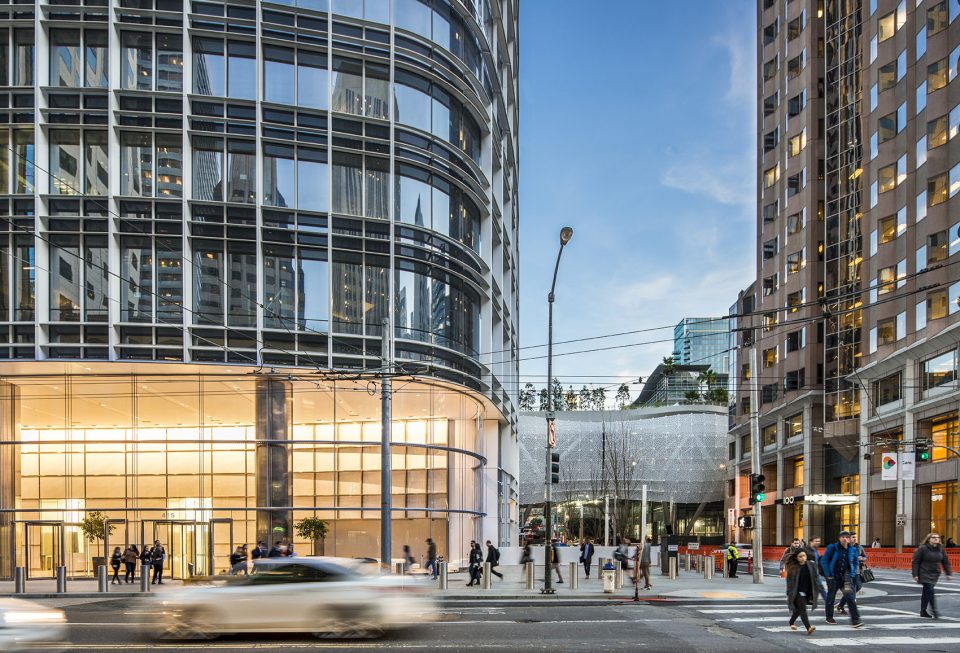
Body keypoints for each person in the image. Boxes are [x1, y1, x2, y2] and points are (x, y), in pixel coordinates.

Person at [822, 531, 862, 627]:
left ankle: (855, 620)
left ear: (849, 539)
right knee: (831, 597)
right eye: (843, 537)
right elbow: (824, 560)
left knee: (851, 598)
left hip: (846, 578)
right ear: (839, 538)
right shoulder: (832, 547)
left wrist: (852, 573)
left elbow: (856, 562)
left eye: (847, 537)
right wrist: (828, 575)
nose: (845, 539)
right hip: (834, 577)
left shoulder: (852, 549)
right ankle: (829, 617)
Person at [912, 532, 953, 619]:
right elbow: (915, 561)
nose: (936, 539)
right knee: (930, 590)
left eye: (937, 537)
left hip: (934, 573)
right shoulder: (923, 548)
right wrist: (915, 574)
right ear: (929, 539)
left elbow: (945, 562)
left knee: (926, 592)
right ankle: (935, 610)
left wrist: (948, 573)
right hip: (924, 572)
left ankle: (923, 611)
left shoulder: (940, 549)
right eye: (933, 537)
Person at [785, 549, 819, 635]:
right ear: (796, 558)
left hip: (807, 592)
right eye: (800, 556)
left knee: (798, 610)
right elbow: (789, 582)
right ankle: (808, 628)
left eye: (804, 556)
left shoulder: (810, 565)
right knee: (803, 609)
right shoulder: (793, 568)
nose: (803, 558)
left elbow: (815, 578)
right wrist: (789, 592)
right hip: (797, 592)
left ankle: (791, 622)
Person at [836, 534, 866, 615]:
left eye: (856, 537)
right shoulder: (846, 548)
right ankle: (844, 606)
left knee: (858, 587)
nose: (855, 539)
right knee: (850, 591)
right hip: (847, 573)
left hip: (857, 572)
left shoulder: (859, 547)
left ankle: (841, 605)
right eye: (853, 537)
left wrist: (862, 558)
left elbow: (865, 557)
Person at [802, 536, 828, 608]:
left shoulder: (814, 550)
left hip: (816, 572)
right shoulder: (806, 550)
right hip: (809, 572)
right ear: (811, 542)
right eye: (816, 541)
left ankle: (810, 599)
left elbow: (817, 560)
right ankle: (828, 601)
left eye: (819, 541)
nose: (818, 543)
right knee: (820, 586)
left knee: (819, 587)